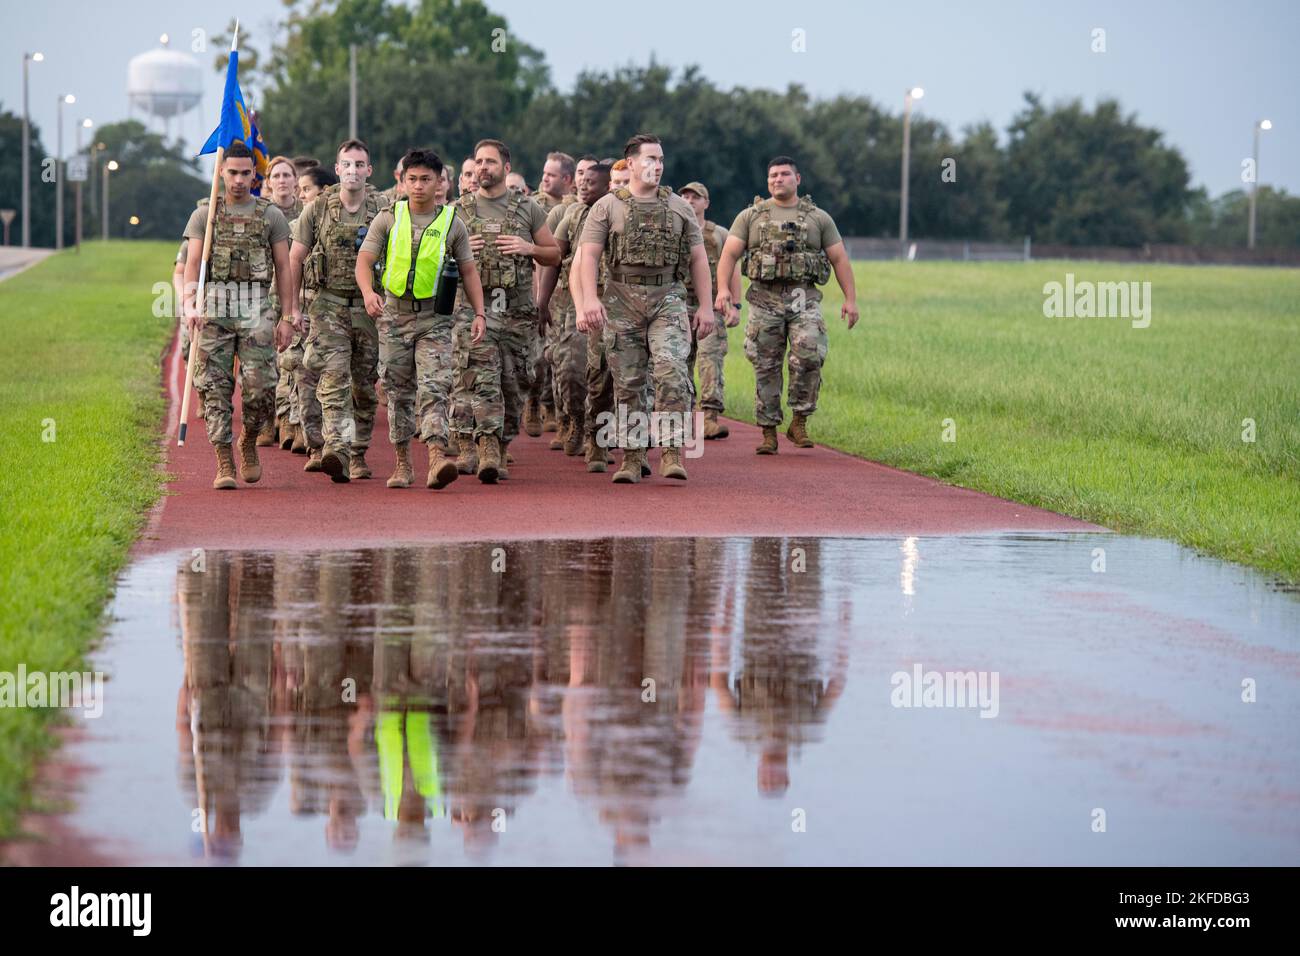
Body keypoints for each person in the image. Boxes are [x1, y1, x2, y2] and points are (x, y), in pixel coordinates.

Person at [576, 133, 714, 484]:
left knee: (671, 372)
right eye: (650, 158)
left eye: (661, 159)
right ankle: (633, 456)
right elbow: (588, 256)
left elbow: (698, 259)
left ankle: (671, 451)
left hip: (667, 296)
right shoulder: (607, 206)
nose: (657, 165)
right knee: (628, 382)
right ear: (632, 163)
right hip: (621, 299)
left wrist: (706, 307)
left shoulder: (679, 207)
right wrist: (589, 300)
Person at [355, 149, 485, 490]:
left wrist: (479, 312)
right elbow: (364, 261)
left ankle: (437, 456)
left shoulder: (452, 223)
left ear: (439, 182)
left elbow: (469, 272)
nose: (418, 186)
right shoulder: (388, 217)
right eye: (411, 179)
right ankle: (402, 463)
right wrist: (369, 293)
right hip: (394, 317)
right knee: (398, 392)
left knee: (434, 387)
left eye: (426, 179)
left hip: (435, 319)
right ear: (401, 181)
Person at [715, 156, 859, 454]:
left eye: (783, 174)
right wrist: (723, 292)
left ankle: (799, 421)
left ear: (798, 179)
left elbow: (839, 258)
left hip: (804, 298)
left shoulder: (819, 218)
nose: (777, 179)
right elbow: (728, 255)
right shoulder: (751, 216)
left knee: (809, 355)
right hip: (764, 299)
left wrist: (851, 299)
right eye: (772, 176)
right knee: (765, 366)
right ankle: (768, 431)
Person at [182, 141, 295, 490]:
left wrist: (288, 316)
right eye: (232, 172)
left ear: (255, 174)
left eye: (246, 173)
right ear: (221, 172)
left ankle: (248, 439)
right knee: (213, 386)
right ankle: (224, 458)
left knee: (261, 386)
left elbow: (283, 268)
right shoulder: (206, 214)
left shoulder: (270, 215)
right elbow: (191, 267)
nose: (239, 180)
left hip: (255, 304)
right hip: (214, 304)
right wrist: (190, 304)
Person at [448, 139, 560, 482]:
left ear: (506, 168)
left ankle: (501, 442)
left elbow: (554, 255)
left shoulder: (528, 209)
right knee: (478, 381)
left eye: (490, 162)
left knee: (515, 385)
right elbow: (432, 258)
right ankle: (481, 449)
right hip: (473, 311)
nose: (483, 167)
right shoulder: (458, 210)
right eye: (478, 161)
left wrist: (529, 247)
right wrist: (455, 255)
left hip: (517, 313)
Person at [287, 138, 391, 482]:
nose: (353, 171)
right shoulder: (317, 208)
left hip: (370, 309)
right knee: (333, 381)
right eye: (347, 164)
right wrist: (293, 308)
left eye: (360, 165)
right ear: (337, 169)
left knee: (364, 386)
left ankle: (358, 450)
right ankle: (337, 449)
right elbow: (295, 258)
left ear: (369, 170)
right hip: (328, 306)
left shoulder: (384, 209)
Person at [536, 160, 610, 459]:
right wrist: (542, 303)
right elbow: (555, 258)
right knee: (570, 369)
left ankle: (601, 436)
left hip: (616, 302)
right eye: (582, 180)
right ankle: (576, 421)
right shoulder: (572, 214)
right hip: (574, 302)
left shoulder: (619, 212)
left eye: (591, 183)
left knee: (611, 374)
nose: (583, 186)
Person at [679, 182, 742, 439]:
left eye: (696, 197)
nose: (690, 200)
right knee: (678, 362)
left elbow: (733, 268)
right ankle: (679, 417)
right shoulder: (672, 227)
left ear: (707, 203)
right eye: (685, 196)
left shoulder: (719, 234)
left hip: (712, 305)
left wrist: (735, 304)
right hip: (677, 305)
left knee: (710, 359)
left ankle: (709, 418)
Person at [266, 156, 305, 448]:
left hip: (296, 292)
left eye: (286, 175)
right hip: (264, 294)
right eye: (276, 176)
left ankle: (292, 422)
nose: (282, 180)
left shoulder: (307, 213)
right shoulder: (262, 213)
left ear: (295, 180)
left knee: (293, 360)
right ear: (268, 183)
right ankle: (270, 421)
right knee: (268, 362)